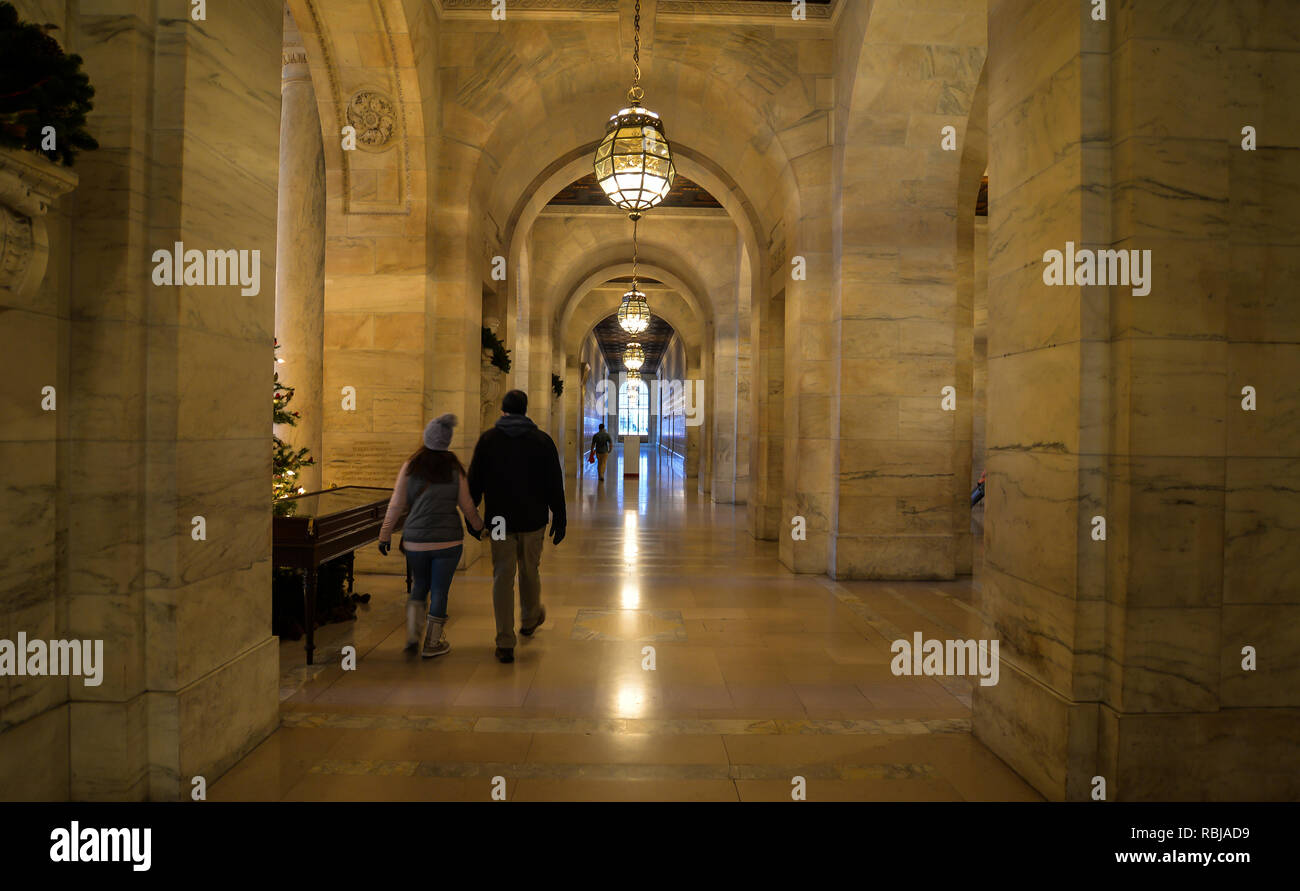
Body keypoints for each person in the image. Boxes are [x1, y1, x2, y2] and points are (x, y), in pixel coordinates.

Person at [468, 390, 566, 663]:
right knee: (529, 570)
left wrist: (471, 516)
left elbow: (474, 481)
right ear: (525, 410)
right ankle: (530, 618)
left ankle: (504, 641)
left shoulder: (488, 440)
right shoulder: (541, 441)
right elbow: (554, 483)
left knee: (502, 575)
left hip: (499, 520)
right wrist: (560, 515)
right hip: (533, 519)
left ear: (503, 410)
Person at [378, 414, 483, 658]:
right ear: (447, 441)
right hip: (449, 541)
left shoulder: (411, 466)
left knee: (419, 585)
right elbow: (467, 506)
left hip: (415, 540)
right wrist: (478, 526)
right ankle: (432, 644)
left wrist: (384, 535)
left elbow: (396, 505)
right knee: (439, 591)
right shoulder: (454, 468)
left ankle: (413, 638)